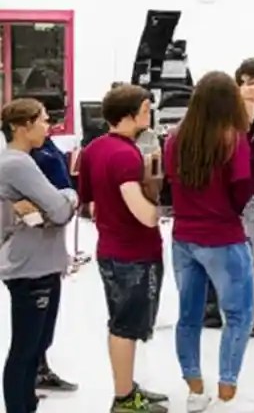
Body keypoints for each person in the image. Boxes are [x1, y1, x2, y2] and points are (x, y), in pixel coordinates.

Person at [164, 72, 254, 413]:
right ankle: (227, 393)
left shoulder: (174, 139)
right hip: (223, 237)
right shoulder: (233, 139)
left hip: (183, 238)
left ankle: (194, 390)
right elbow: (240, 190)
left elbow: (170, 183)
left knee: (188, 315)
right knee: (238, 315)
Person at [79, 84, 169, 412]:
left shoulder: (94, 150)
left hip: (111, 249)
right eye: (146, 108)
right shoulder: (125, 156)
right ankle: (124, 398)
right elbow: (145, 216)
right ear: (130, 114)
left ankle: (127, 385)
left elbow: (92, 208)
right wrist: (163, 201)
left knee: (121, 324)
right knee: (125, 328)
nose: (150, 113)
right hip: (133, 255)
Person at [0, 100, 79, 413]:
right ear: (22, 126)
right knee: (25, 349)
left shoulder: (22, 161)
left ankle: (26, 403)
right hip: (29, 267)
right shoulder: (17, 164)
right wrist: (69, 195)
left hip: (40, 262)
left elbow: (50, 209)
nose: (49, 127)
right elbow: (60, 210)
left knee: (35, 346)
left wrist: (50, 205)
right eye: (43, 121)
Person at [205, 59, 254, 338]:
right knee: (218, 253)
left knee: (250, 255)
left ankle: (251, 313)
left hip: (251, 190)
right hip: (222, 193)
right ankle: (217, 309)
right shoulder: (225, 116)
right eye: (244, 81)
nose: (249, 87)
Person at [27, 134, 79, 393]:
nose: (47, 124)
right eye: (42, 119)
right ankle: (27, 383)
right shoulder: (22, 160)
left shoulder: (45, 148)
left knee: (46, 318)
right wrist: (66, 200)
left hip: (49, 246)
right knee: (31, 324)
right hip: (31, 250)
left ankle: (39, 368)